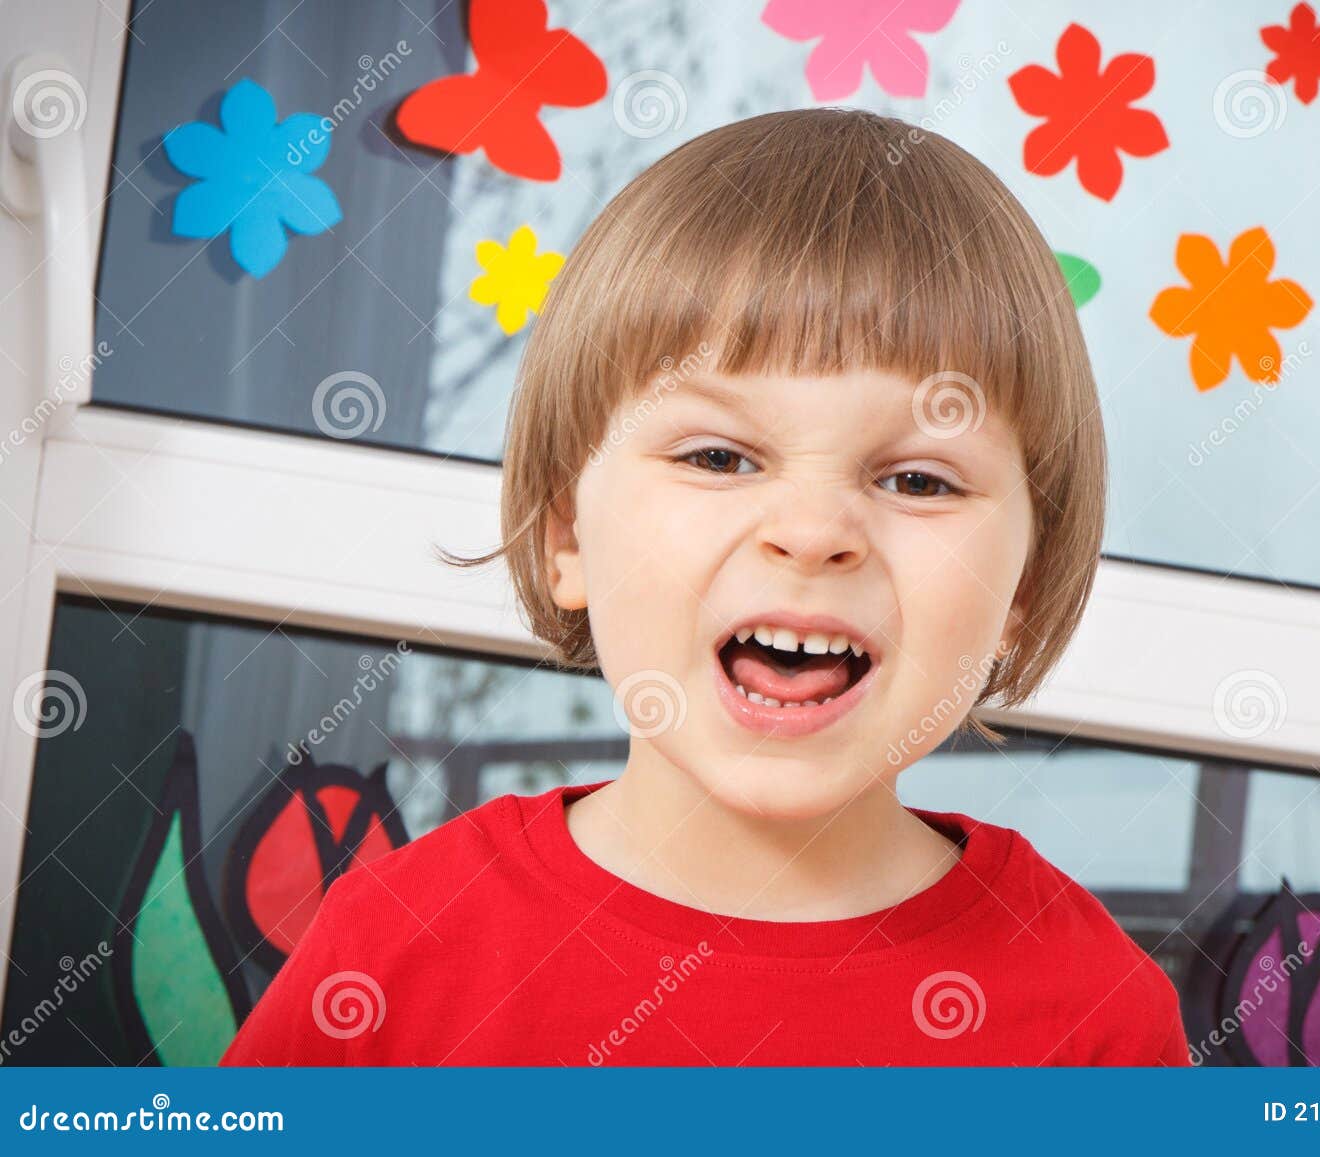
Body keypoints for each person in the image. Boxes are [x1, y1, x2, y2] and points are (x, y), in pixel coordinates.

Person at [222, 107, 1189, 1066]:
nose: (811, 535)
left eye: (917, 480)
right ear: (567, 537)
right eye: (720, 456)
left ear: (1022, 587)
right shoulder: (396, 948)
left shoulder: (1095, 1022)